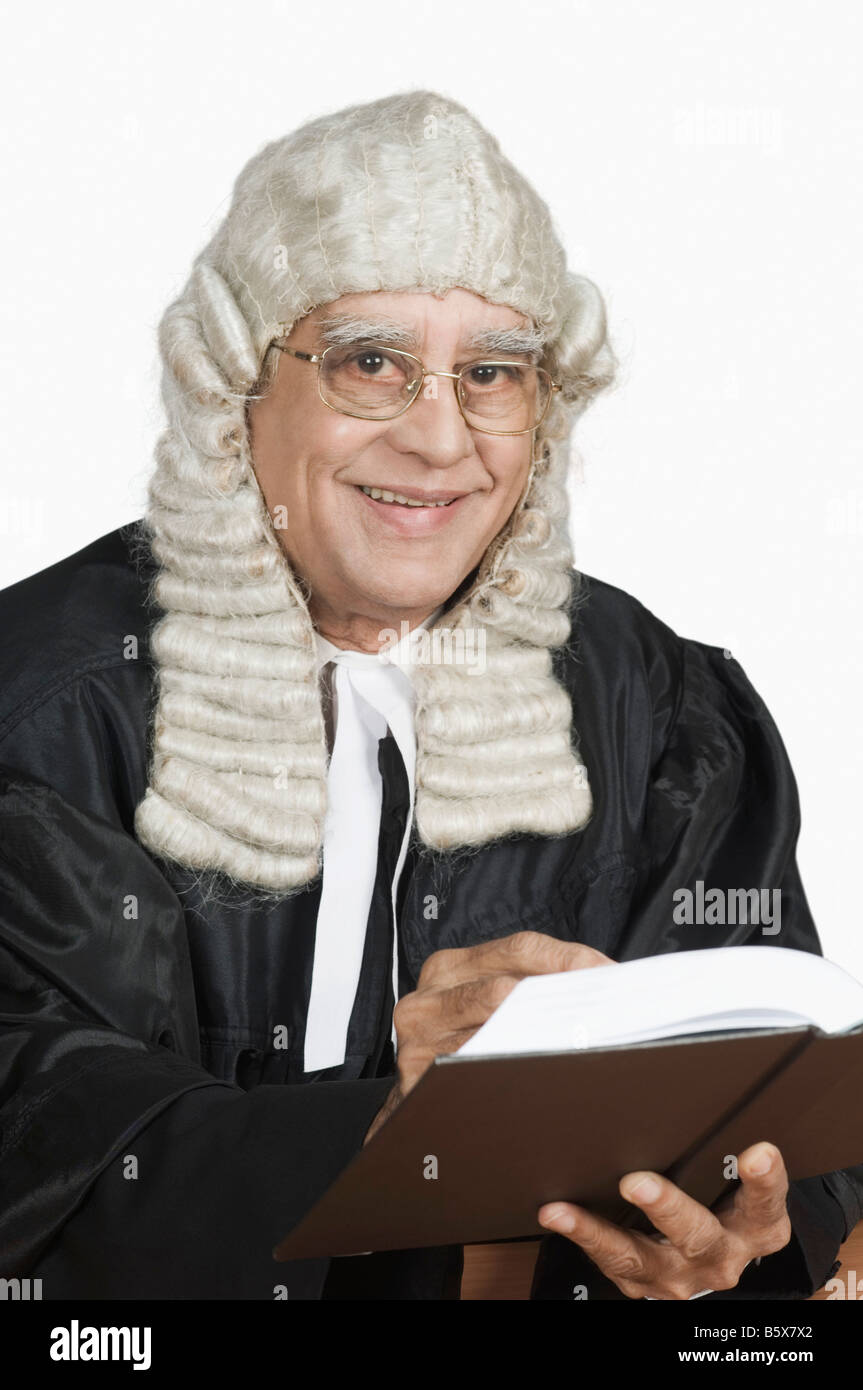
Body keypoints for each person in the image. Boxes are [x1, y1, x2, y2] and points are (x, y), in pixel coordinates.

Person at [0, 88, 860, 1302]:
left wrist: (739, 1224)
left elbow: (798, 1149)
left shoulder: (661, 714)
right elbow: (38, 1131)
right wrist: (396, 1136)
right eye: (369, 363)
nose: (439, 441)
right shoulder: (37, 708)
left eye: (492, 374)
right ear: (234, 384)